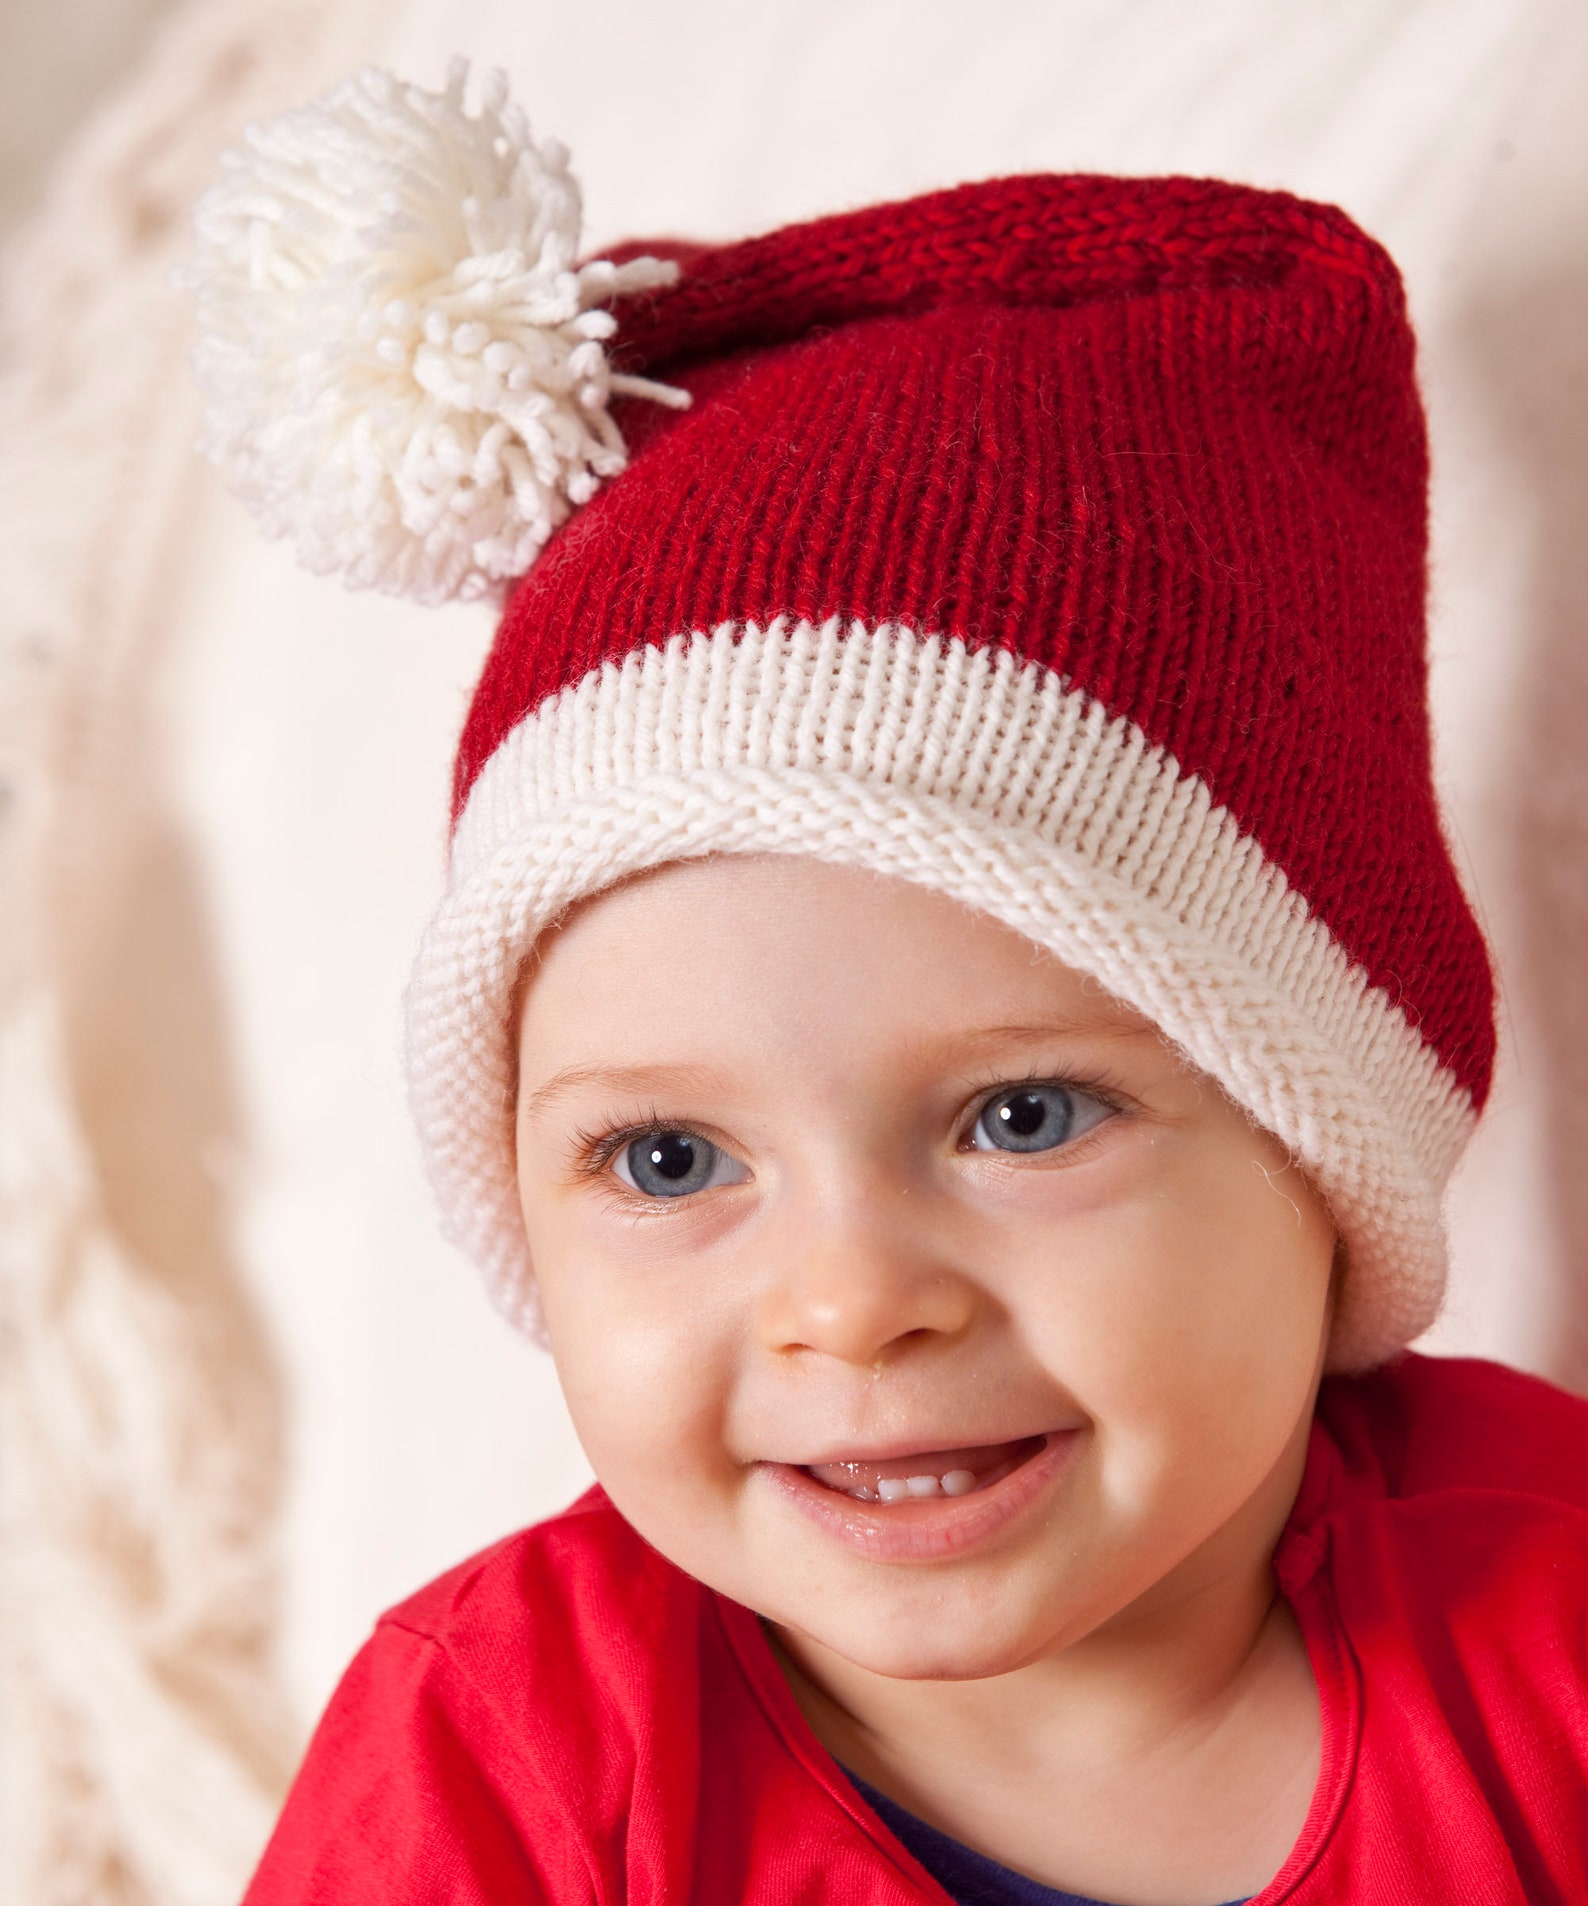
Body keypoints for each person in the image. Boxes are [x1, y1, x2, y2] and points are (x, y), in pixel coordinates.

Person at [184, 62, 1588, 1906]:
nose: (849, 1309)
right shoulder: (511, 1752)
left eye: (1023, 1116)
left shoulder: (1545, 1612)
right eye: (670, 1160)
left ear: (1320, 1146)